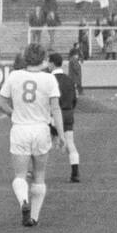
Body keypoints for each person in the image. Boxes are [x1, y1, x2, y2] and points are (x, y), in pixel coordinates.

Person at [0, 43, 65, 226]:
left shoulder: (14, 76)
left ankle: (23, 202)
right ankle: (34, 217)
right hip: (41, 130)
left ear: (25, 58)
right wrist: (61, 134)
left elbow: (1, 102)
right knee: (39, 175)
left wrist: (14, 113)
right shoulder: (49, 79)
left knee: (20, 175)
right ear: (43, 59)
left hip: (20, 129)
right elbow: (56, 109)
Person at [48, 53, 82, 182]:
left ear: (52, 63)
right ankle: (75, 173)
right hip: (68, 113)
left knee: (45, 142)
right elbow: (74, 99)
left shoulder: (49, 79)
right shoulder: (69, 80)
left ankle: (34, 170)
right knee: (70, 143)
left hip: (55, 114)